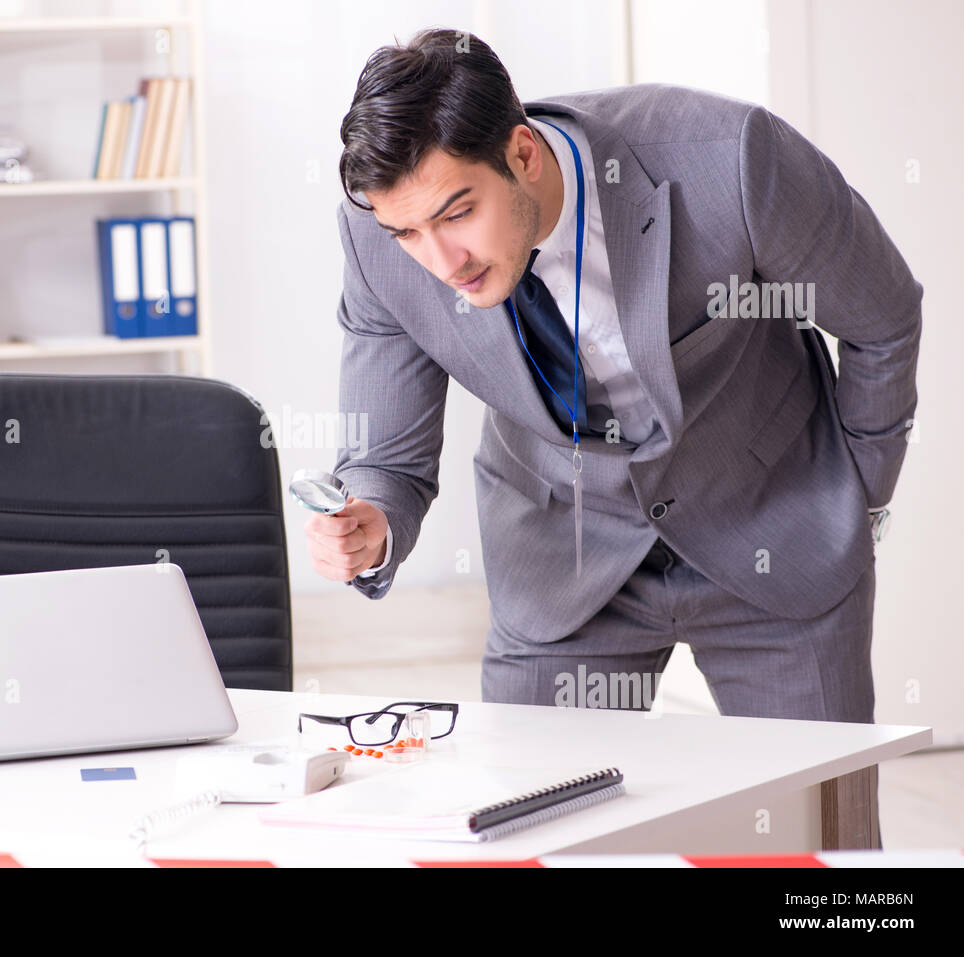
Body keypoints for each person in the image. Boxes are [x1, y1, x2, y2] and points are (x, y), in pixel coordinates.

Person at [305, 27, 921, 744]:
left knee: (814, 813)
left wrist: (859, 495)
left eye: (458, 213)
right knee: (532, 810)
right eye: (409, 233)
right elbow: (385, 461)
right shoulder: (376, 240)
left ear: (523, 154)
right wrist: (371, 522)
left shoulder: (732, 159)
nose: (443, 262)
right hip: (561, 562)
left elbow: (883, 317)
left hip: (774, 527)